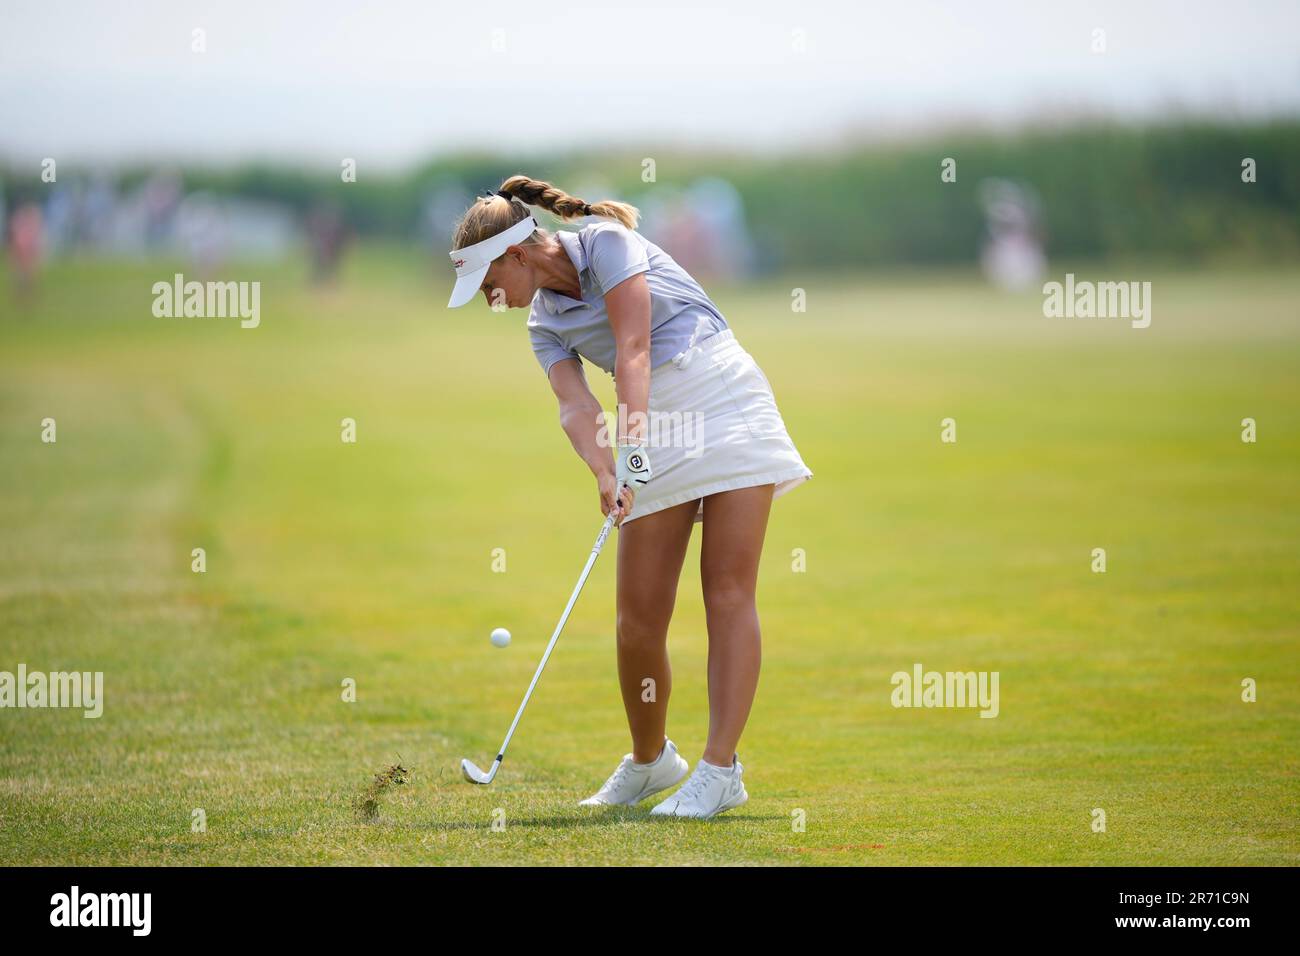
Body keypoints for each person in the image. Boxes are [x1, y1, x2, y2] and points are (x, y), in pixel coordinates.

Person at [445, 176, 812, 819]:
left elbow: (635, 348)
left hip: (721, 397)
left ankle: (720, 769)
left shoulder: (609, 244)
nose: (488, 298)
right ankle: (650, 762)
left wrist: (634, 445)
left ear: (517, 254)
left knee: (726, 591)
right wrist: (606, 469)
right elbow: (574, 406)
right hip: (651, 421)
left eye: (486, 282)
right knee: (637, 619)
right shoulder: (541, 323)